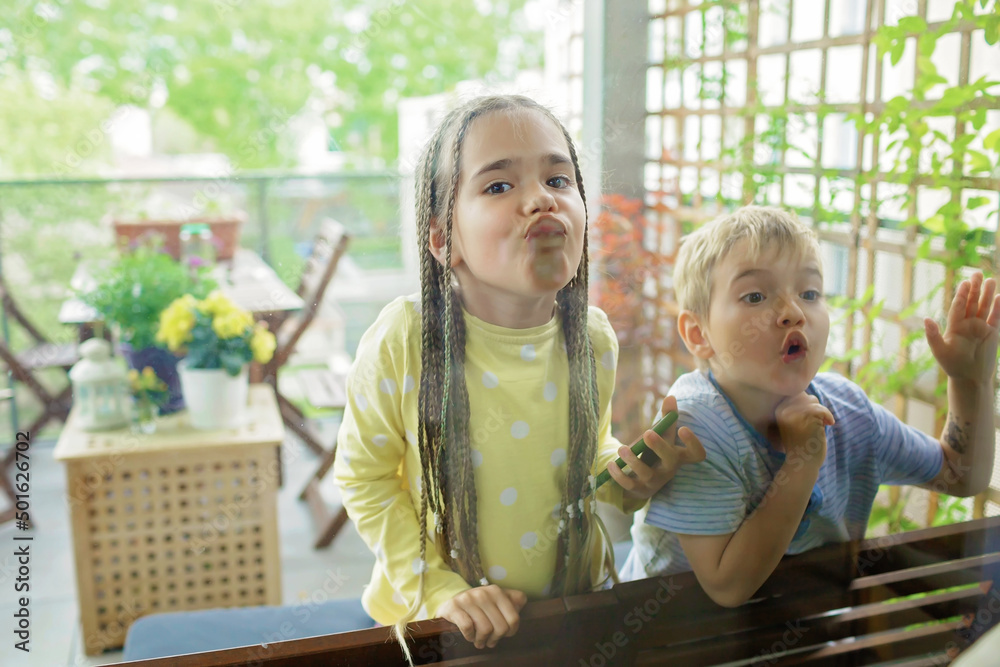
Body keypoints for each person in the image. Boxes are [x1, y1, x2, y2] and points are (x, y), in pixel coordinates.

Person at [332, 94, 705, 657]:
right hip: (441, 627)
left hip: (576, 613)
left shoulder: (591, 336)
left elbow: (587, 452)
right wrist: (439, 590)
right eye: (499, 186)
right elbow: (366, 479)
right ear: (442, 239)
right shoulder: (407, 338)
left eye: (559, 180)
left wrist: (627, 475)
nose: (539, 200)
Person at [619, 205, 999, 608]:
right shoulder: (696, 426)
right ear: (699, 334)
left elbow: (960, 476)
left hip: (805, 639)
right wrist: (802, 462)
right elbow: (727, 587)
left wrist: (969, 380)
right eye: (755, 296)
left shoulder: (849, 411)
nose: (794, 313)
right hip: (676, 648)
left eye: (810, 293)